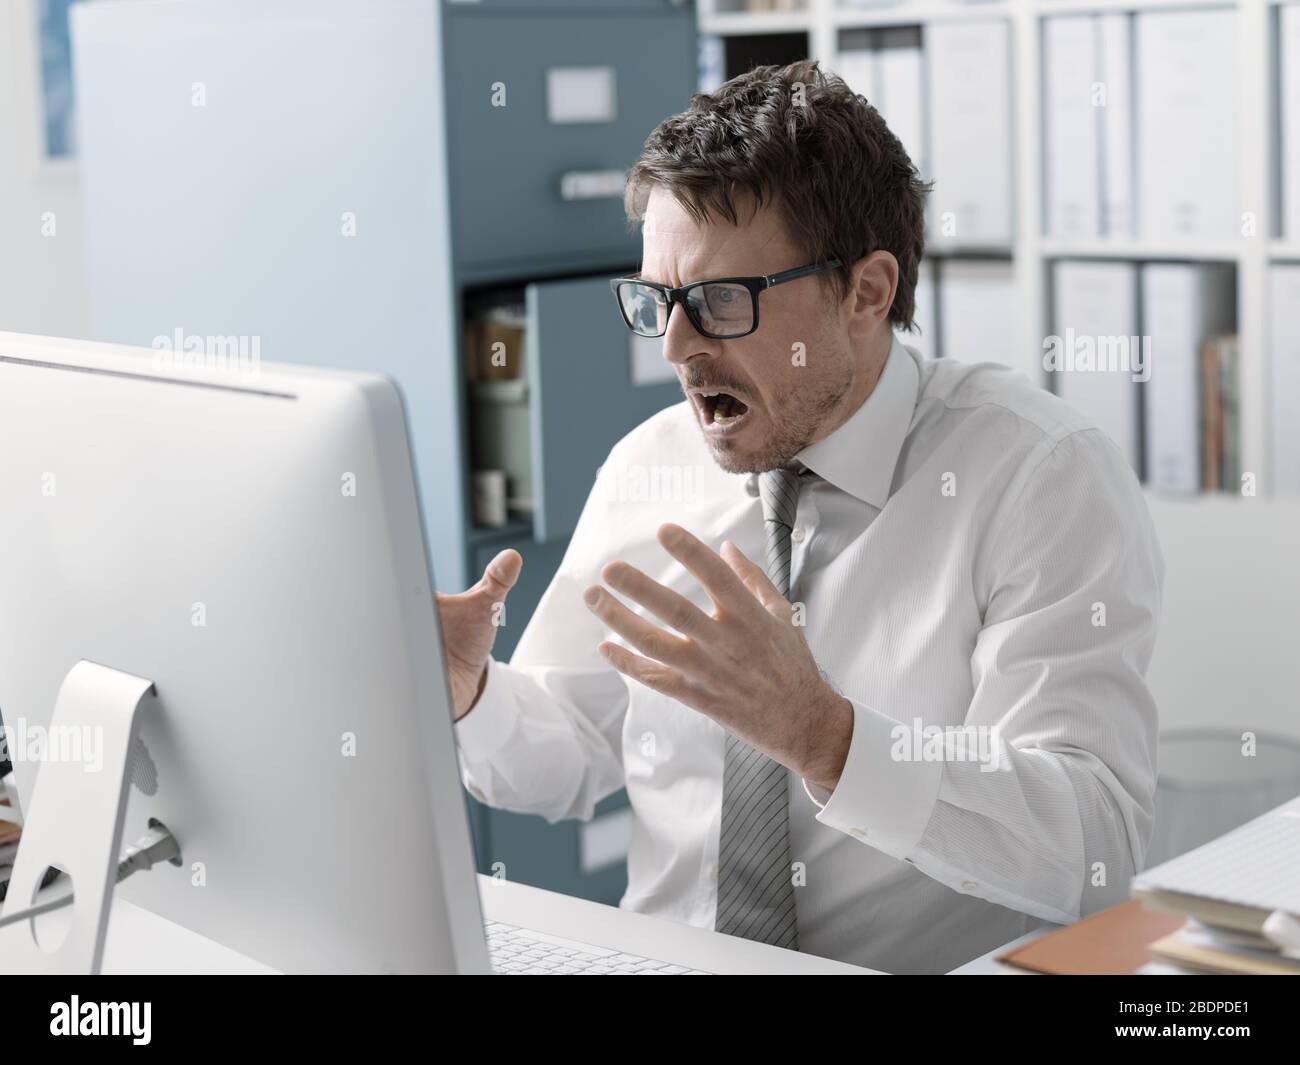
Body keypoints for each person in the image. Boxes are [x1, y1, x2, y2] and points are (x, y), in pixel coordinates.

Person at [437, 60, 1163, 974]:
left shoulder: (1037, 476)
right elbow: (566, 758)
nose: (675, 346)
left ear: (865, 291)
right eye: (657, 302)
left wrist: (825, 736)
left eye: (718, 302)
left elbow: (1094, 848)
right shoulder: (649, 466)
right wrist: (470, 694)